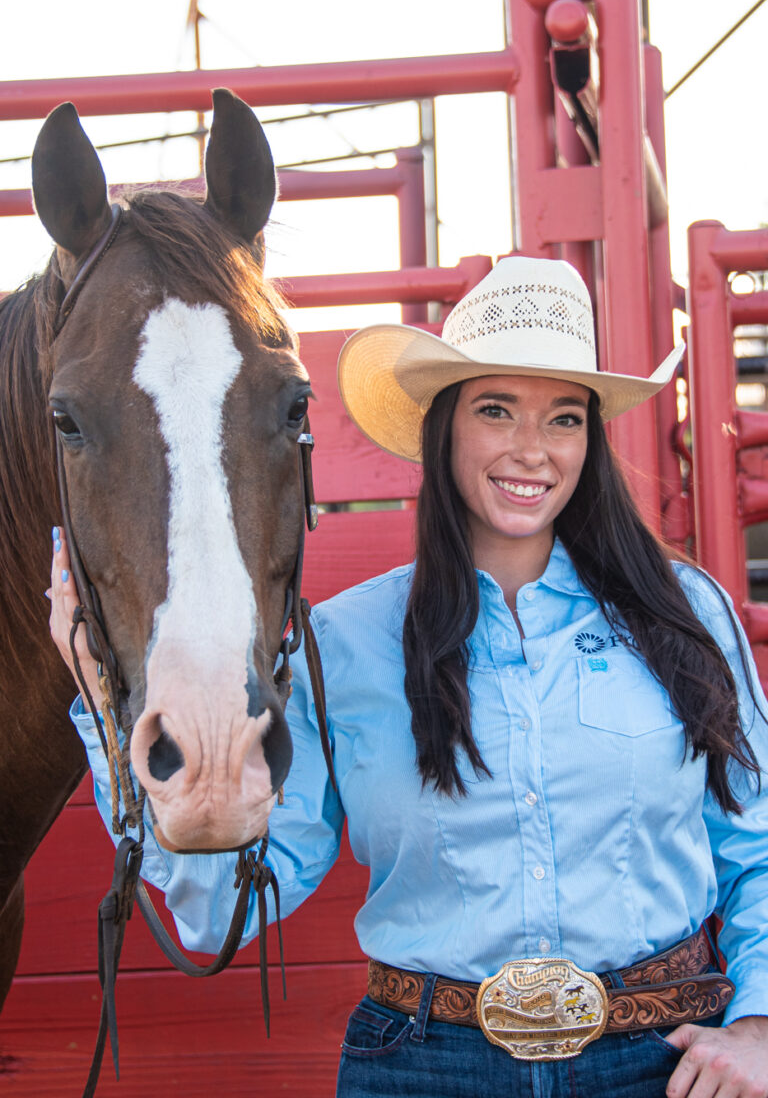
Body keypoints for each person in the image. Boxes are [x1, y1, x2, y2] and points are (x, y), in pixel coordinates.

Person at [50, 256, 768, 1098]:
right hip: (426, 1067)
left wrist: (758, 1026)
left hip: (661, 1059)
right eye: (497, 411)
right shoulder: (344, 645)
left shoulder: (685, 614)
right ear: (445, 427)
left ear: (589, 440)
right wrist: (106, 705)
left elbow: (758, 844)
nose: (531, 450)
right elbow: (218, 916)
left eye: (564, 419)